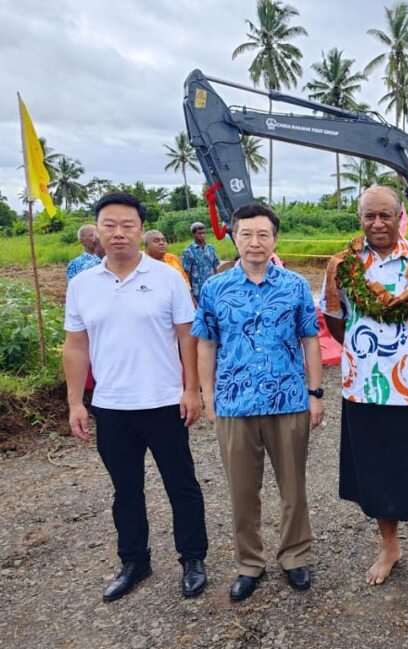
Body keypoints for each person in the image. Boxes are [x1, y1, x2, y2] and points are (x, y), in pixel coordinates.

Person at [62, 192, 208, 602]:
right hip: (111, 406)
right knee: (125, 488)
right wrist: (77, 402)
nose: (119, 233)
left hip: (164, 401)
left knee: (181, 484)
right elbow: (76, 345)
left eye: (128, 225)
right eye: (110, 224)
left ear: (141, 231)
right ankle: (134, 561)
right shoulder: (82, 285)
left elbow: (187, 336)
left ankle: (193, 558)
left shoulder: (167, 278)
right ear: (97, 231)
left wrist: (191, 389)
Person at [322, 185, 408, 596]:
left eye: (385, 215)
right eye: (369, 216)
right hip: (362, 390)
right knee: (375, 476)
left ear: (400, 218)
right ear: (359, 219)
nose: (377, 223)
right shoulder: (344, 265)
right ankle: (390, 547)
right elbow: (336, 321)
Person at [194, 203, 323, 602]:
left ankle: (294, 556)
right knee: (242, 491)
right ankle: (249, 563)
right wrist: (208, 397)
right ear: (234, 236)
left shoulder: (295, 286)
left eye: (263, 234)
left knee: (293, 487)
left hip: (287, 401)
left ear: (274, 239)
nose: (255, 242)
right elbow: (206, 343)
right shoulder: (215, 288)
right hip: (234, 404)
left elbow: (311, 339)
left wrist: (315, 393)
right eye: (246, 234)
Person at [181, 221, 220, 301]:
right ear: (194, 234)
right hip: (198, 291)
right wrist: (189, 291)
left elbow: (215, 267)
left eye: (204, 233)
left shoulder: (210, 248)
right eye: (199, 233)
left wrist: (218, 283)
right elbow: (186, 273)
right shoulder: (188, 251)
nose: (202, 235)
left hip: (212, 287)